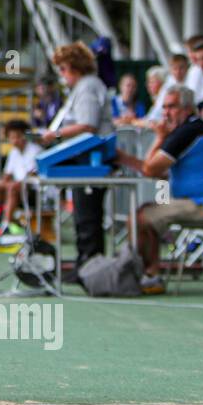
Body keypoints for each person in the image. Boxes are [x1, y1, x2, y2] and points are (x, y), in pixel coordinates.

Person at [116, 86, 203, 294]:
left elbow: (150, 169)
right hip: (200, 201)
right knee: (145, 213)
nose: (166, 113)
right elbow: (157, 173)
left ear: (187, 109)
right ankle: (150, 273)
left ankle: (147, 275)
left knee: (141, 217)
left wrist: (124, 156)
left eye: (172, 107)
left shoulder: (187, 132)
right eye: (164, 108)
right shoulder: (192, 128)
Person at [40, 42, 114, 272]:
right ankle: (86, 263)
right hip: (85, 158)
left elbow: (87, 125)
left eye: (63, 69)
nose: (62, 76)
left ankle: (90, 266)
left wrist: (56, 134)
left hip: (92, 160)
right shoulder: (85, 86)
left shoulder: (88, 87)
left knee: (88, 217)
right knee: (84, 215)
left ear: (75, 67)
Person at [0, 119, 39, 243]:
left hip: (34, 193)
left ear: (25, 136)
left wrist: (9, 185)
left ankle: (6, 225)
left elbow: (31, 177)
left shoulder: (35, 150)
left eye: (18, 137)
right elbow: (6, 176)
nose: (15, 140)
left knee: (12, 187)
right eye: (12, 137)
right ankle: (1, 219)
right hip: (17, 191)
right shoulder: (13, 152)